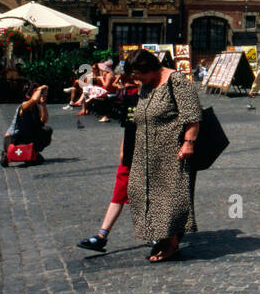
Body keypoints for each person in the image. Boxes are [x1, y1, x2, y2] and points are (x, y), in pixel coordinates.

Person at [126, 48, 201, 263]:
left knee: (168, 198)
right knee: (140, 192)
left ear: (150, 68)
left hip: (171, 151)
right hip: (144, 152)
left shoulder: (176, 81)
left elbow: (193, 115)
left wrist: (189, 143)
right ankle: (162, 237)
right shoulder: (147, 85)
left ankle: (171, 243)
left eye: (138, 74)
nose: (136, 79)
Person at [78, 76, 143, 252]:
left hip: (147, 156)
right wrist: (122, 150)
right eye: (126, 82)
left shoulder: (150, 98)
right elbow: (128, 128)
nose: (126, 86)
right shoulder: (130, 99)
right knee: (118, 196)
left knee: (146, 197)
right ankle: (101, 236)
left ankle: (158, 235)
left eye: (130, 82)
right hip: (129, 156)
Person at [5, 83, 52, 164]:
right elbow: (33, 100)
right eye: (36, 92)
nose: (38, 95)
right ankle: (8, 154)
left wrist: (44, 105)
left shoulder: (37, 107)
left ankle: (32, 153)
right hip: (14, 139)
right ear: (28, 95)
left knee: (47, 130)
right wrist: (40, 88)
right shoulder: (23, 105)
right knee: (26, 156)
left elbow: (44, 120)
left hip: (26, 137)